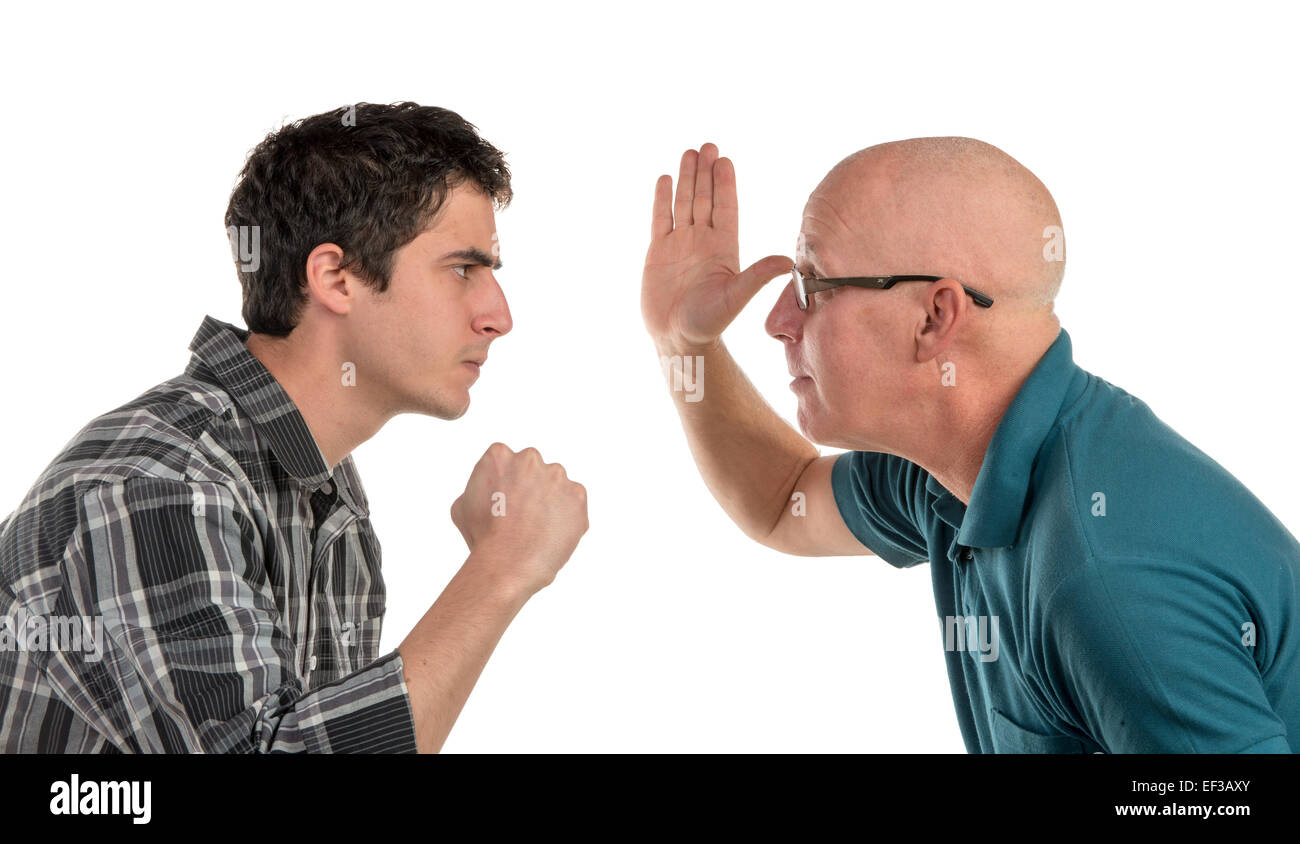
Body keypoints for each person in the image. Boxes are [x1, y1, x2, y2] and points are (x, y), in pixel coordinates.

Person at [641, 138, 1300, 753]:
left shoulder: (1106, 577)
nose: (777, 320)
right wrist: (684, 346)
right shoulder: (950, 468)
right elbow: (783, 501)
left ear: (934, 318)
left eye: (814, 284)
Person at [0, 102, 588, 753]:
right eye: (462, 269)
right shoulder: (163, 486)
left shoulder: (323, 493)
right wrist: (500, 568)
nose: (498, 316)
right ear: (335, 277)